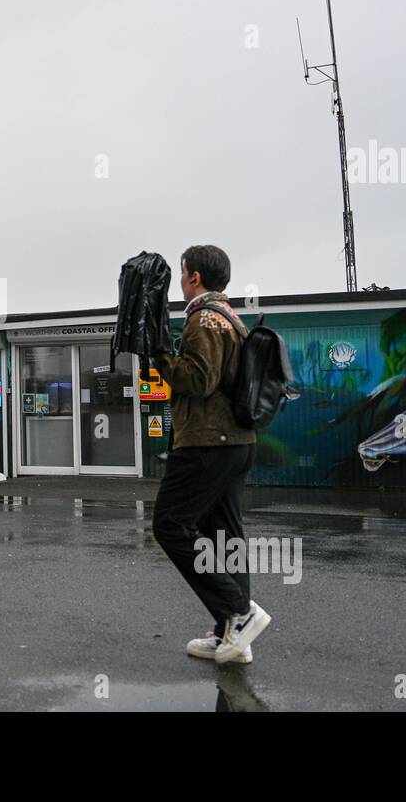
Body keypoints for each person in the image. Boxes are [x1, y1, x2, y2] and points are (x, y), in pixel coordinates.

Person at [151, 244, 271, 664]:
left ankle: (239, 613)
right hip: (238, 442)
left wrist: (160, 354)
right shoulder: (232, 318)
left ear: (195, 277)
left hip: (207, 442)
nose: (181, 282)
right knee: (226, 537)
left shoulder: (204, 319)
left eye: (183, 274)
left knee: (170, 524)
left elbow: (197, 381)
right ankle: (233, 636)